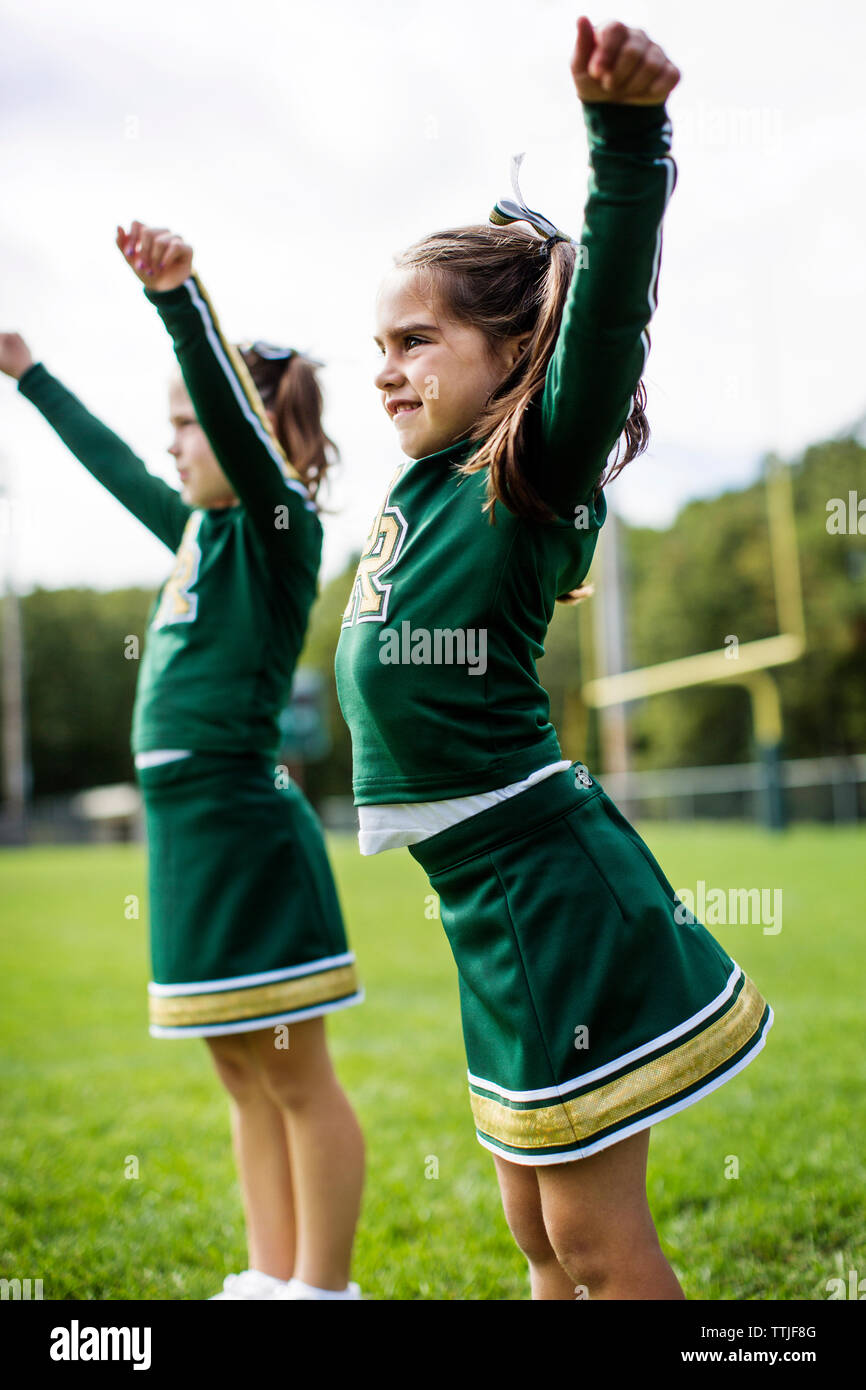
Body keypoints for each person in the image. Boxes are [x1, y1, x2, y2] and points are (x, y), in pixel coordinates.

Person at [334, 17, 772, 1300]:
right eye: (377, 347)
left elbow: (606, 320)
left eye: (414, 341)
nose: (384, 370)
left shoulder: (523, 470)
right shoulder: (420, 486)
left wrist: (623, 141)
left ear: (514, 351)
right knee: (533, 1238)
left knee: (588, 1238)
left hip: (549, 891)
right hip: (482, 902)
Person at [1, 226, 364, 1301]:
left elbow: (235, 437)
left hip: (248, 833)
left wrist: (175, 300)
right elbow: (114, 461)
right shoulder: (195, 533)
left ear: (246, 431)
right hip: (185, 841)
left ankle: (324, 1288)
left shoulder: (275, 523)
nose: (171, 446)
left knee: (295, 1073)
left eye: (187, 426)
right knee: (237, 1069)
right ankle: (268, 1275)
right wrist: (31, 376)